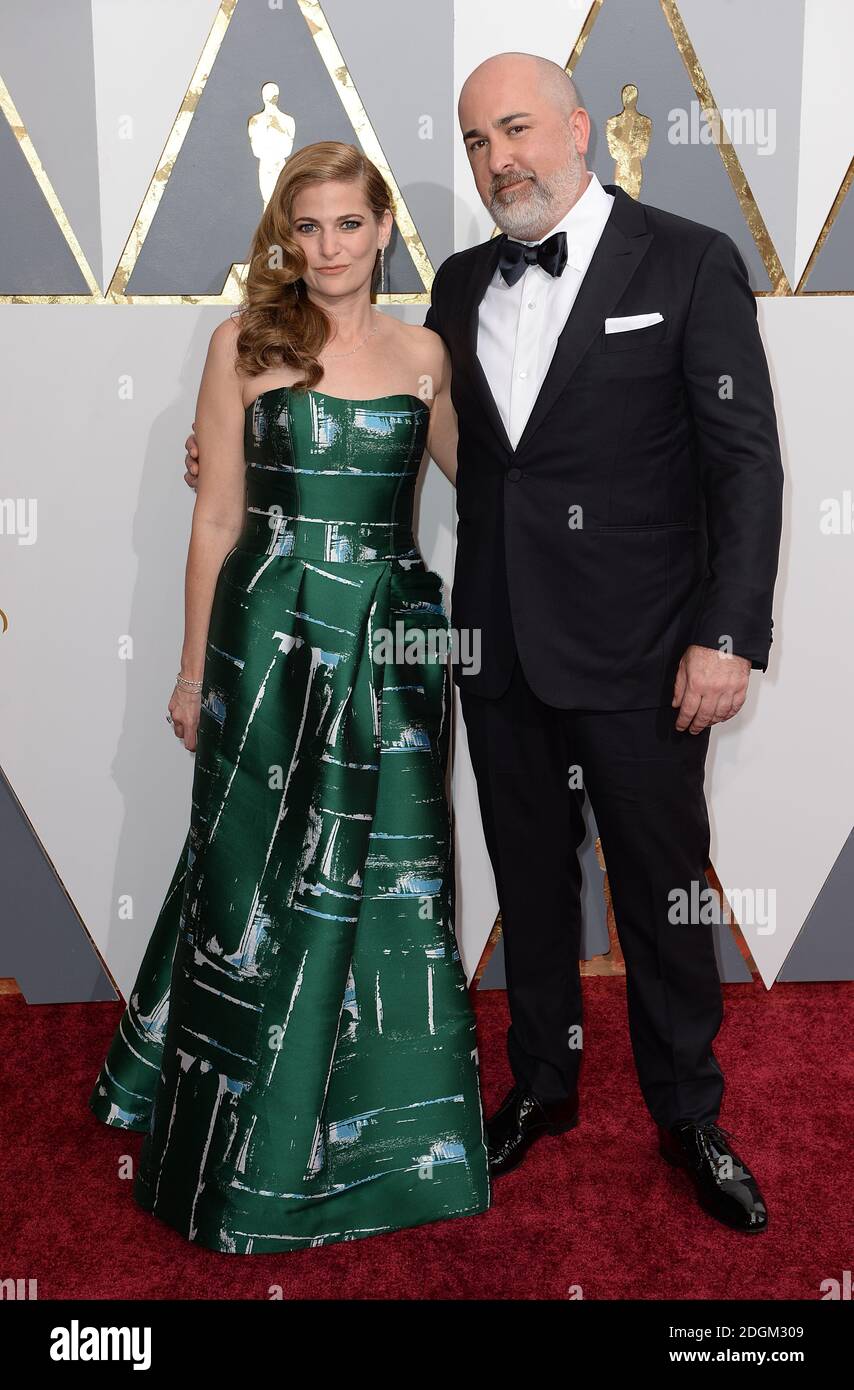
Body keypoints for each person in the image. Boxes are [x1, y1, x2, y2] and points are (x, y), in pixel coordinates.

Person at [185, 55, 784, 1236]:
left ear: (574, 128)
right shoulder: (455, 286)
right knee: (527, 882)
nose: (497, 157)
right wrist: (237, 458)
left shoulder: (687, 258)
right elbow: (424, 439)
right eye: (473, 141)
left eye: (515, 129)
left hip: (645, 648)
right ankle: (541, 1089)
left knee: (663, 893)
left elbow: (744, 465)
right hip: (493, 644)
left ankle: (687, 1116)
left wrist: (726, 633)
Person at [89, 140, 491, 1255]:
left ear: (381, 230)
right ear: (285, 237)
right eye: (305, 228)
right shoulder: (244, 344)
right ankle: (233, 1126)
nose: (327, 249)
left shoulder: (424, 353)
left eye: (348, 226)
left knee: (389, 870)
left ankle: (384, 1127)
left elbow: (490, 484)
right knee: (249, 872)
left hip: (390, 637)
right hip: (267, 634)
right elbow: (216, 518)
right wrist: (185, 673)